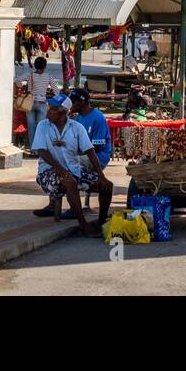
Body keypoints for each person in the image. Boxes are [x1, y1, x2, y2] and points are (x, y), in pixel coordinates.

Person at [31, 93, 112, 236]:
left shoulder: (77, 127)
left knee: (107, 186)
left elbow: (90, 151)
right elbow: (42, 151)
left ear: (63, 112)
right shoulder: (42, 126)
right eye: (49, 107)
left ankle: (101, 221)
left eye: (53, 109)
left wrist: (101, 176)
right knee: (70, 182)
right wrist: (60, 169)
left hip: (74, 169)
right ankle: (83, 224)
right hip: (48, 171)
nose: (48, 111)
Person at [68, 88, 112, 170]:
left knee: (66, 162)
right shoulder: (77, 118)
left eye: (72, 102)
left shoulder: (98, 117)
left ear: (81, 102)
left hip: (98, 157)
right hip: (81, 154)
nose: (70, 105)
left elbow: (97, 147)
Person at [20, 56, 54, 147]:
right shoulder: (48, 76)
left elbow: (17, 80)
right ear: (45, 66)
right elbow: (56, 91)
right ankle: (40, 147)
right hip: (42, 103)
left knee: (31, 127)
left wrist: (22, 87)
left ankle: (33, 148)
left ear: (35, 66)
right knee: (40, 127)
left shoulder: (29, 75)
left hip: (29, 103)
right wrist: (47, 99)